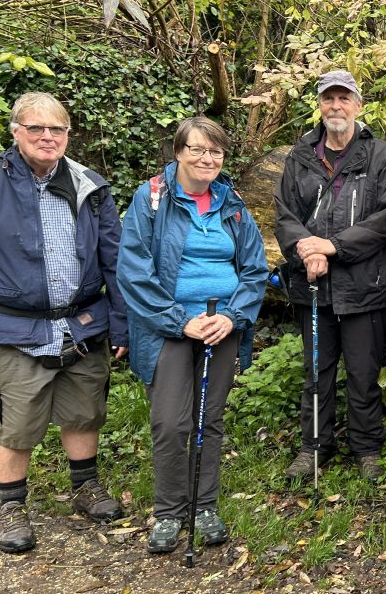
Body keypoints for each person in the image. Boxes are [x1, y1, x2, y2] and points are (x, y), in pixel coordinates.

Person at [0, 92, 128, 553]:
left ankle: (85, 485)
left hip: (82, 323)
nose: (47, 136)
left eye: (56, 129)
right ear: (16, 132)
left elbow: (116, 259)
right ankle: (11, 505)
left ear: (67, 134)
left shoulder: (89, 184)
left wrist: (122, 321)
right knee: (15, 422)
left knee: (84, 409)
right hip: (13, 327)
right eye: (35, 127)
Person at [118, 117, 268, 553]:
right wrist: (179, 320)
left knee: (209, 419)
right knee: (169, 422)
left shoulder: (231, 203)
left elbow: (255, 269)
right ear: (178, 152)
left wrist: (233, 317)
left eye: (215, 151)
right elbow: (133, 271)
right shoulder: (152, 199)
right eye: (197, 149)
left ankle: (204, 507)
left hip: (220, 327)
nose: (207, 159)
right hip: (169, 327)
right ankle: (168, 511)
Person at [273, 70, 386, 482]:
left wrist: (331, 246)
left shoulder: (383, 156)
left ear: (358, 105)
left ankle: (366, 448)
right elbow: (285, 214)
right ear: (320, 105)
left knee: (364, 373)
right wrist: (306, 249)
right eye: (328, 98)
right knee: (316, 370)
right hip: (313, 285)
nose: (336, 106)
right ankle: (314, 446)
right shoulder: (300, 156)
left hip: (365, 285)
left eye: (344, 98)